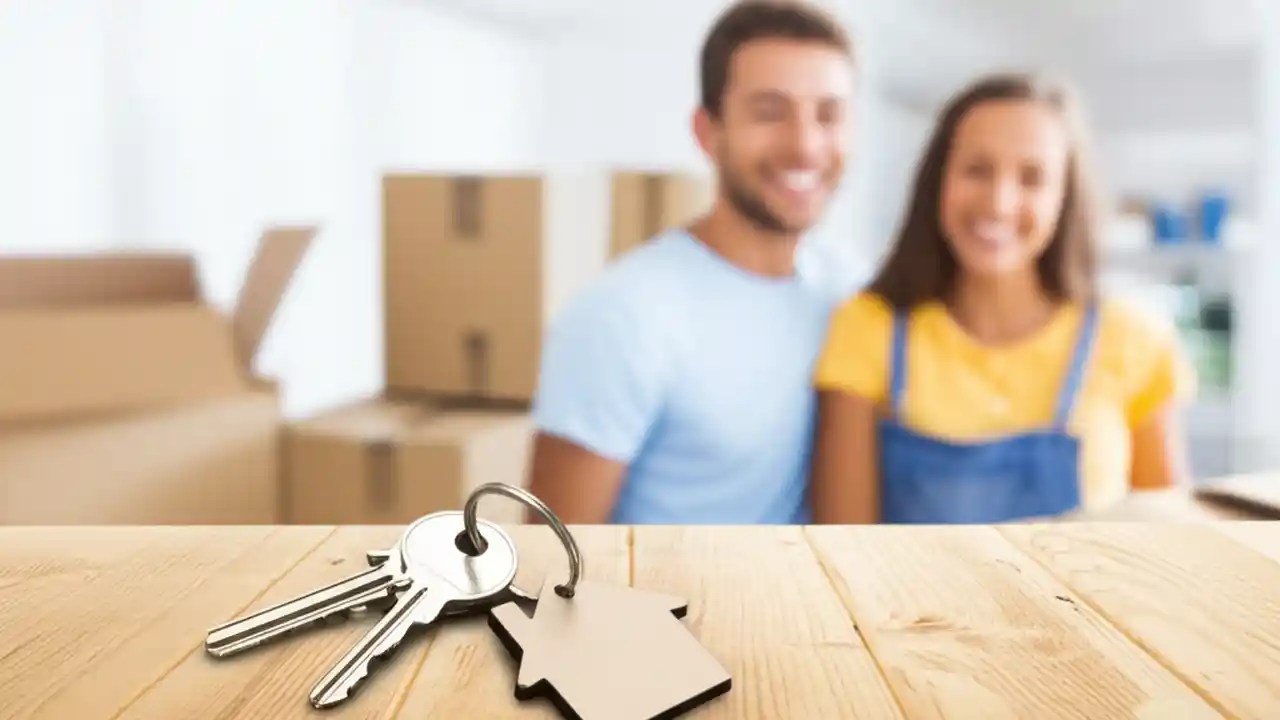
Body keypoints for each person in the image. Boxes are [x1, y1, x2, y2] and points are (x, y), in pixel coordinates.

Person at [810, 73, 1196, 524]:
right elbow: (844, 545)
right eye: (977, 170)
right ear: (939, 180)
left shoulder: (1134, 339)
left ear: (1064, 196)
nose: (999, 202)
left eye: (1032, 178)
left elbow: (1170, 547)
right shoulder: (867, 326)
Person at [525, 0, 856, 524]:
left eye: (829, 114)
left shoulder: (847, 295)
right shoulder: (623, 315)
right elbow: (549, 564)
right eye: (770, 112)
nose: (806, 144)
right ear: (708, 132)